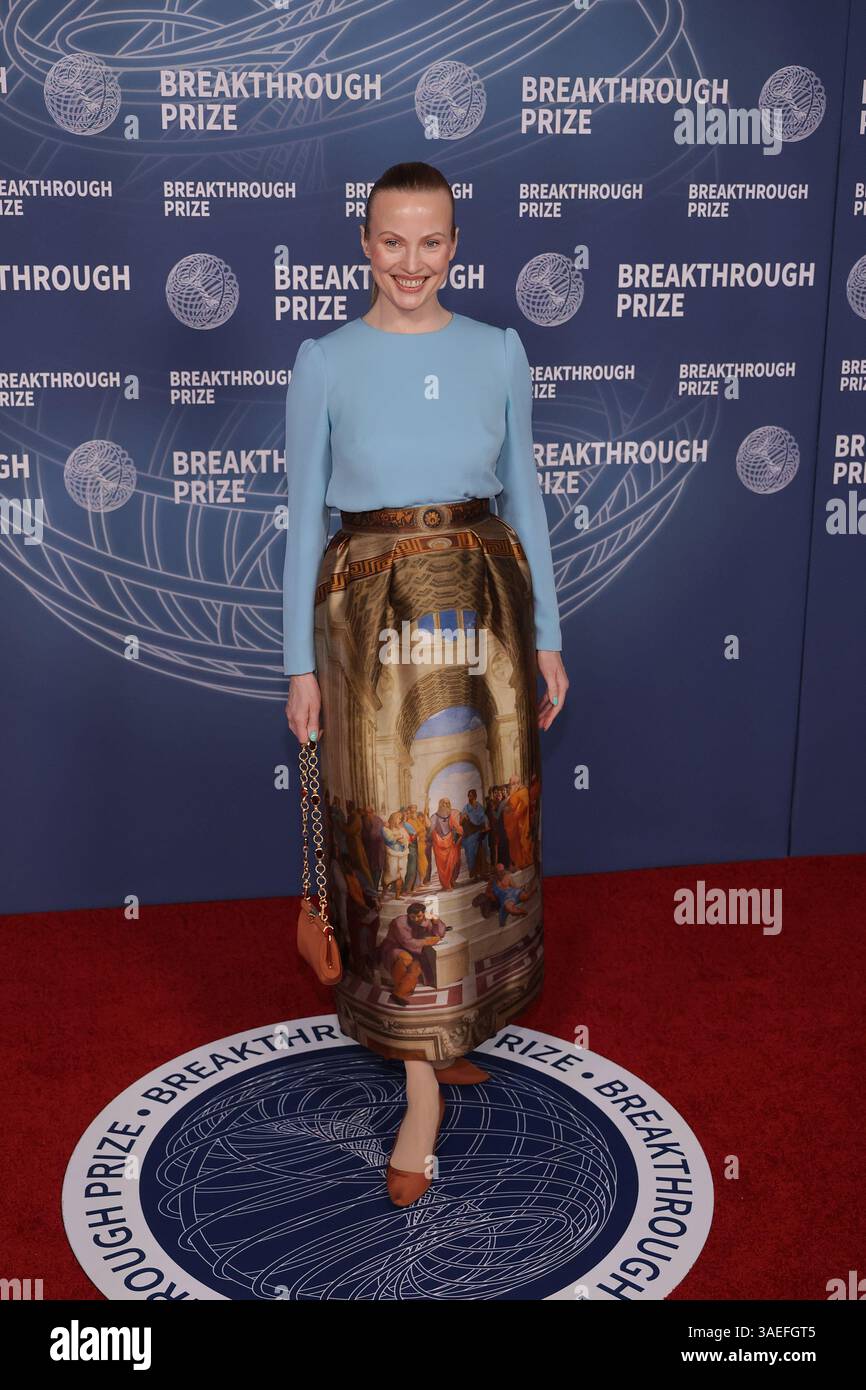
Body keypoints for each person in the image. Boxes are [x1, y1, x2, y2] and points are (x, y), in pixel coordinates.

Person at [283, 161, 569, 1207]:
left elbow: (526, 498)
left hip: (485, 601)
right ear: (364, 244)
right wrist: (296, 662)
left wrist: (544, 635)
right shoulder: (323, 361)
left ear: (455, 245)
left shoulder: (498, 350)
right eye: (392, 241)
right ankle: (419, 1087)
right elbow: (303, 516)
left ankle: (448, 1029)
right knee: (399, 836)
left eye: (431, 241)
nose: (412, 262)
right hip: (368, 611)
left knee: (481, 830)